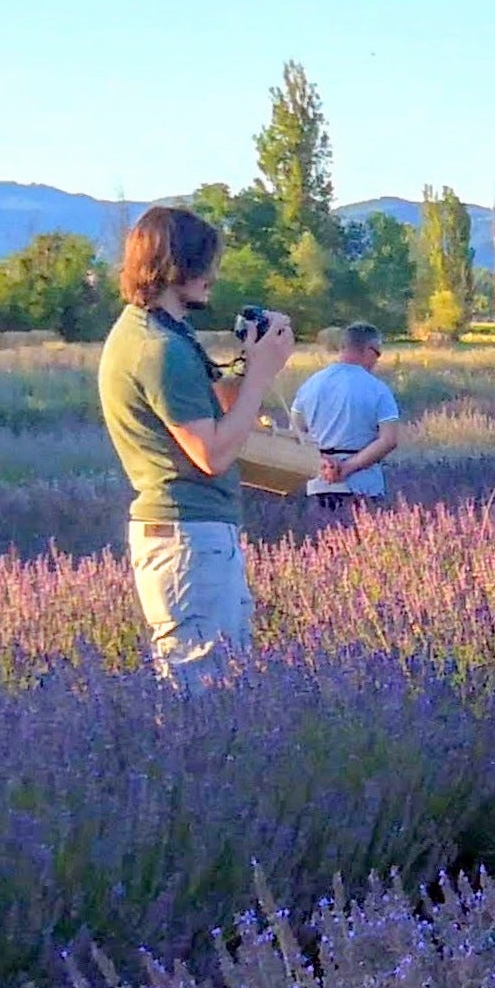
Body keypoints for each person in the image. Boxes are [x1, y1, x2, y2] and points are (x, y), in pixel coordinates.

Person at [96, 205, 294, 686]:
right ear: (175, 266)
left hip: (196, 533)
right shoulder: (156, 349)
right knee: (202, 693)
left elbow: (217, 410)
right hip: (187, 538)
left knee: (224, 683)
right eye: (206, 264)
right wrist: (262, 375)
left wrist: (252, 362)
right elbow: (212, 454)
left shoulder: (164, 336)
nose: (213, 276)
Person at [292, 322, 401, 512]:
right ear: (368, 350)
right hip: (363, 485)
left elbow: (296, 432)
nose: (377, 360)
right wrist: (348, 467)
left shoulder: (311, 385)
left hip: (319, 483)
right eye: (377, 353)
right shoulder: (378, 390)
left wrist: (323, 462)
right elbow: (389, 440)